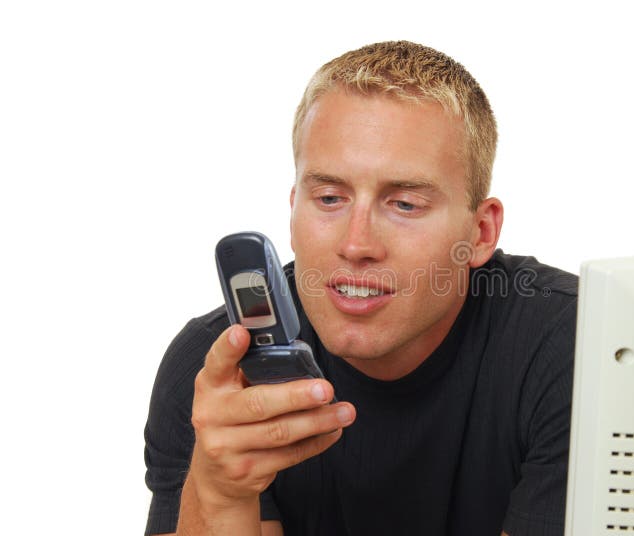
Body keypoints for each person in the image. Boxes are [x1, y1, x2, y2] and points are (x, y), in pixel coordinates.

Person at [144, 40, 577, 536]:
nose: (357, 243)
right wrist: (219, 496)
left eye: (406, 204)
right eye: (329, 198)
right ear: (293, 211)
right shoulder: (211, 374)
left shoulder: (577, 353)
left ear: (480, 234)